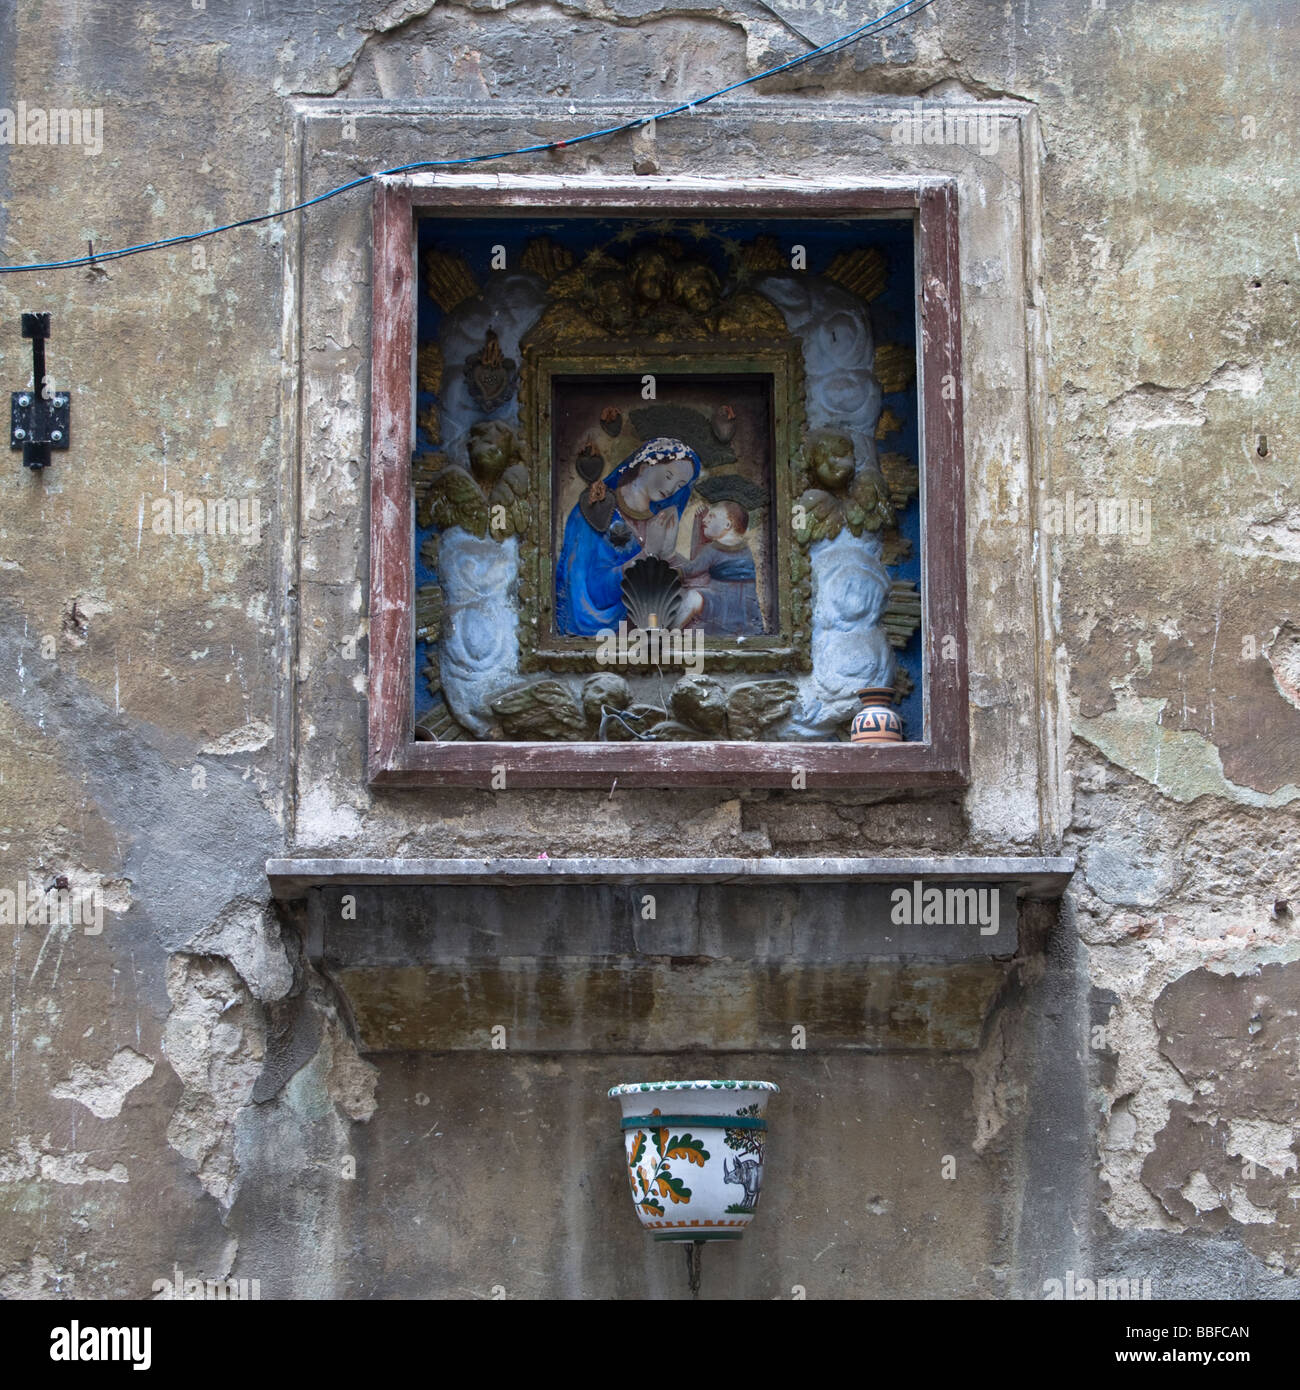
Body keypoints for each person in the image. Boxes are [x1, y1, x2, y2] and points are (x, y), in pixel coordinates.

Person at [555, 437, 701, 636]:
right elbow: (595, 591)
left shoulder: (657, 521)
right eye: (668, 476)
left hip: (645, 622)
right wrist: (648, 552)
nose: (671, 489)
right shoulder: (598, 511)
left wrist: (666, 553)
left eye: (680, 485)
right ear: (644, 467)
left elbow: (666, 578)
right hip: (604, 623)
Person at [675, 500, 764, 635]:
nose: (705, 520)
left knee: (692, 597)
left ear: (728, 524)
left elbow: (692, 570)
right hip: (746, 610)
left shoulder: (712, 549)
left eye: (712, 516)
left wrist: (673, 572)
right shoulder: (746, 549)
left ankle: (670, 631)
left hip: (721, 604)